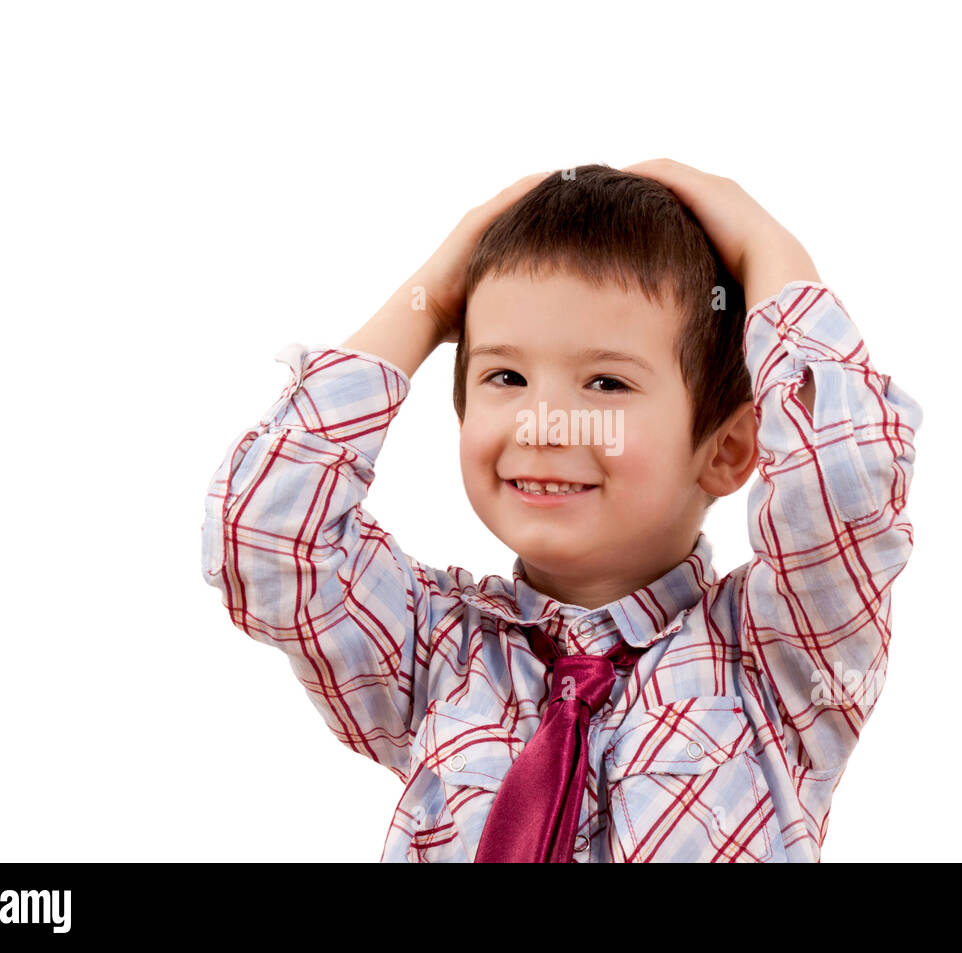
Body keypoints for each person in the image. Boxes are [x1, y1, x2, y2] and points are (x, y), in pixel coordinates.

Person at [199, 160, 923, 862]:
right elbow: (266, 536)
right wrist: (428, 299)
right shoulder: (437, 652)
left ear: (729, 450)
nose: (542, 423)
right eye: (506, 375)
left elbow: (841, 481)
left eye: (606, 383)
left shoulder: (778, 658)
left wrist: (766, 247)